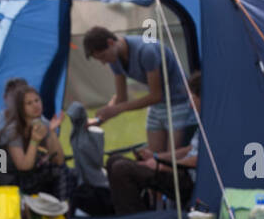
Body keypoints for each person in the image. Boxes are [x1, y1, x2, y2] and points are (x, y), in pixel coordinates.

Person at [83, 25, 195, 158]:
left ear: (111, 42)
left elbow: (155, 96)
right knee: (153, 157)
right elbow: (121, 98)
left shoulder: (146, 51)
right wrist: (99, 119)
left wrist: (119, 109)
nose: (103, 62)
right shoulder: (114, 59)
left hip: (179, 103)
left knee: (171, 160)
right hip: (157, 107)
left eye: (103, 56)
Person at [106, 71, 202, 214]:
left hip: (187, 179)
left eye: (193, 98)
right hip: (177, 169)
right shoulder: (203, 122)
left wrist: (163, 166)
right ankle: (133, 215)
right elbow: (189, 149)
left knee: (121, 168)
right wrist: (157, 157)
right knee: (113, 160)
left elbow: (200, 160)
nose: (190, 105)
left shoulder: (215, 126)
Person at [0, 82, 69, 201]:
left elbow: (59, 160)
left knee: (63, 171)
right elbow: (24, 166)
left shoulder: (44, 124)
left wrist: (52, 132)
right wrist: (34, 141)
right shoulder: (13, 131)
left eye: (37, 100)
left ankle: (61, 213)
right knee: (56, 173)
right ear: (21, 108)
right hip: (13, 179)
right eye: (29, 103)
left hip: (33, 174)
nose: (35, 105)